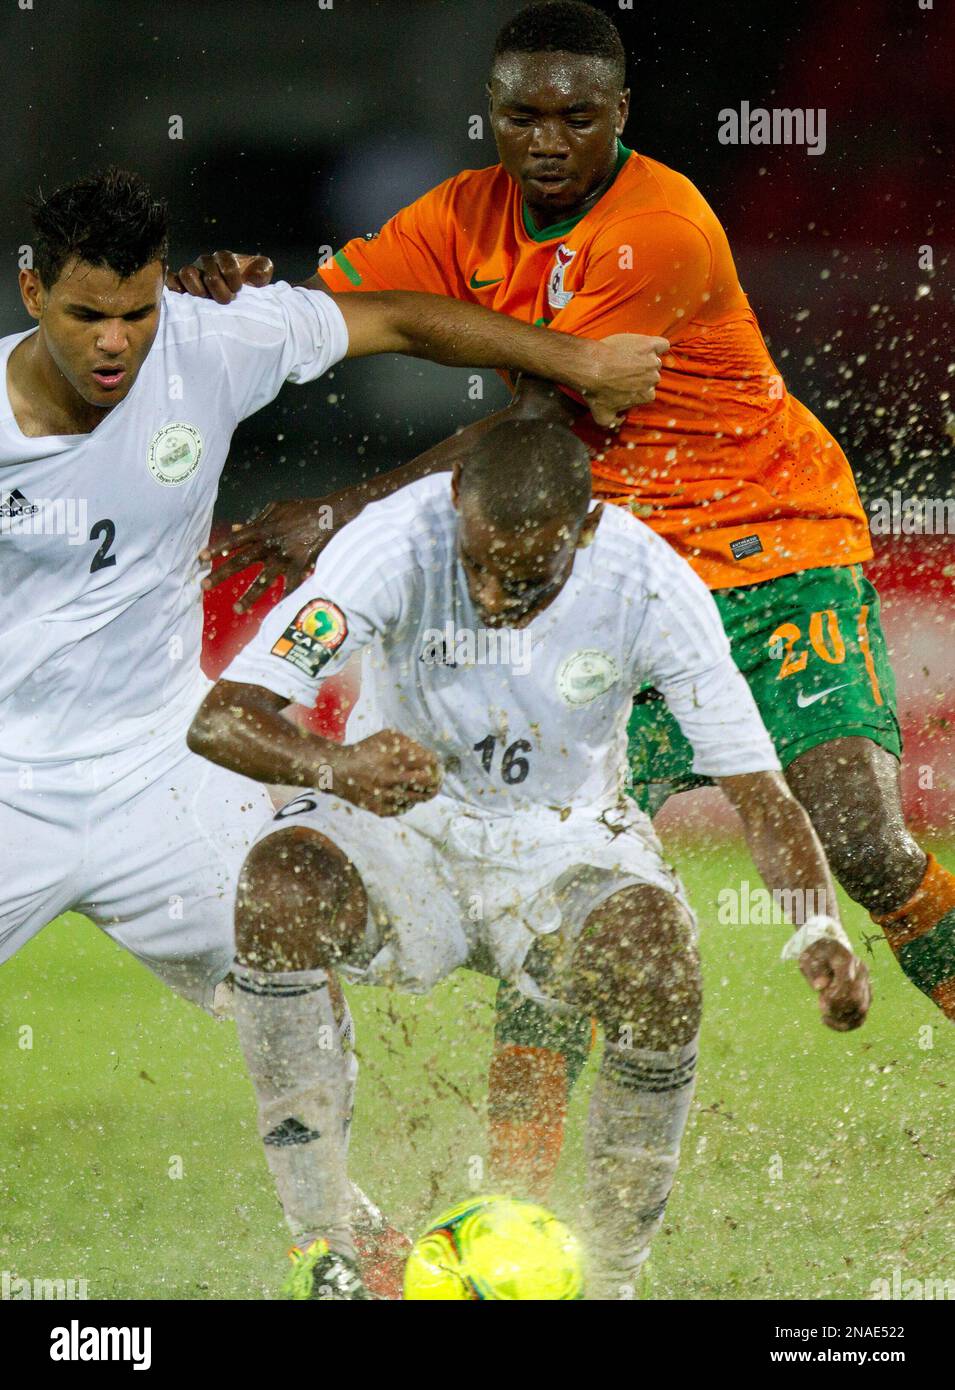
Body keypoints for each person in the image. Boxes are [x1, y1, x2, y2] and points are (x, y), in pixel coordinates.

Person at [179, 0, 955, 1196]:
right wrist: (224, 301)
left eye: (576, 118)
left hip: (770, 542)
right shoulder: (463, 215)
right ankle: (516, 1210)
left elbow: (539, 422)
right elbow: (336, 315)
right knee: (553, 862)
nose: (545, 141)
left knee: (860, 839)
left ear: (621, 117)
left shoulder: (660, 225)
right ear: (490, 112)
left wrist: (335, 512)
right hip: (603, 566)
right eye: (520, 115)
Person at [0, 164, 664, 1293]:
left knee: (293, 964)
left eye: (137, 312)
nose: (116, 343)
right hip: (11, 786)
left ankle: (340, 1247)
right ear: (30, 294)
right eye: (85, 315)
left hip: (165, 768)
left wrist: (573, 361)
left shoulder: (208, 344)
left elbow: (396, 313)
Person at [187, 418, 870, 1299]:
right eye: (473, 563)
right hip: (403, 833)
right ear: (454, 504)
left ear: (584, 530)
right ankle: (322, 1246)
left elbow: (759, 795)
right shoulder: (391, 542)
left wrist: (816, 924)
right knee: (279, 883)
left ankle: (614, 1280)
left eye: (524, 576)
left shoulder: (650, 583)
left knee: (658, 960)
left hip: (565, 847)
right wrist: (338, 767)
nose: (490, 595)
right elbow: (220, 719)